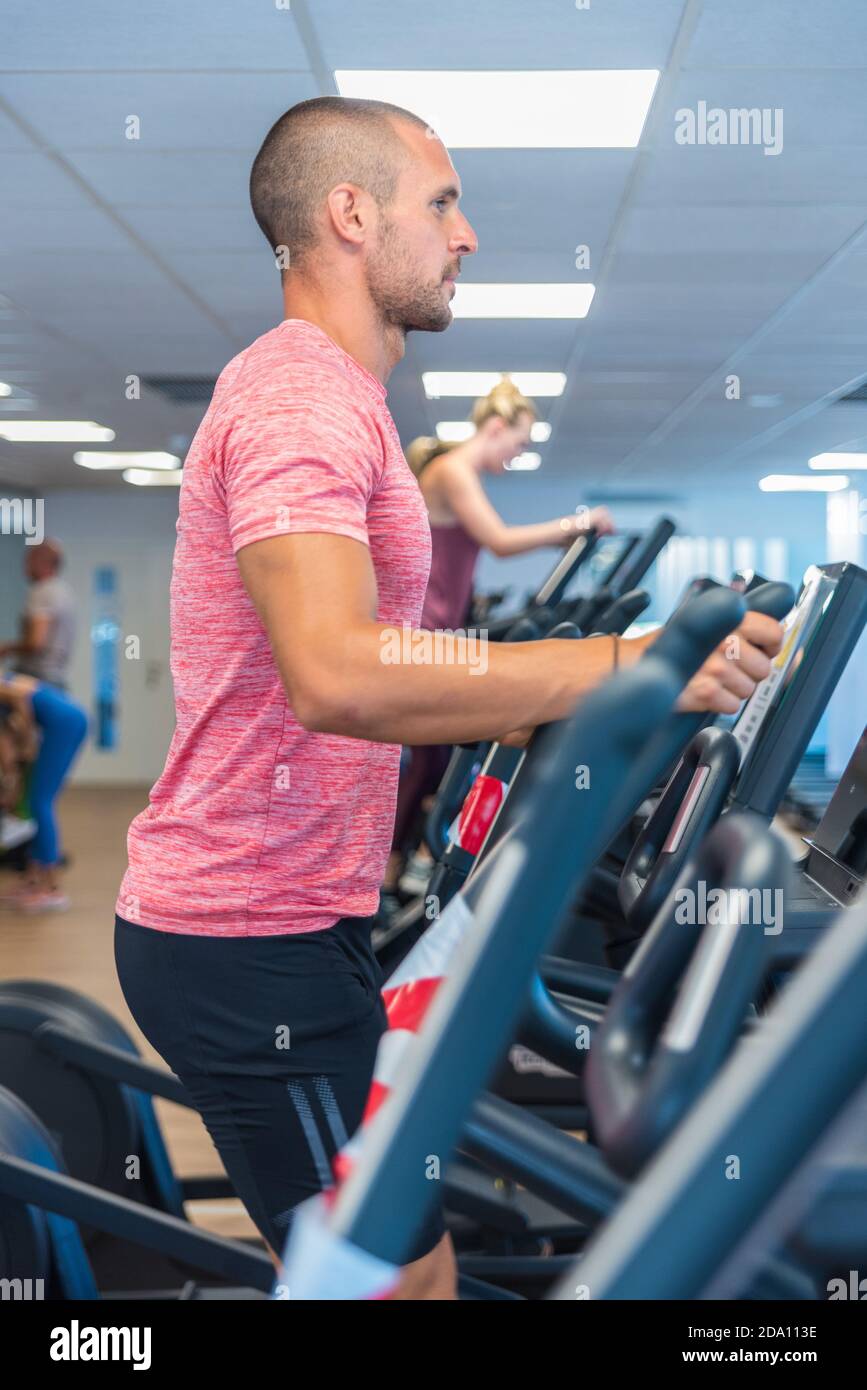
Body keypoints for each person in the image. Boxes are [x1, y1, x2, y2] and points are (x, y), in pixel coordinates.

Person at [112, 96, 783, 1301]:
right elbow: (339, 672)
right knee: (393, 1283)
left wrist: (594, 703)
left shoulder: (341, 400)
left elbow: (378, 671)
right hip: (243, 936)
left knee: (389, 1270)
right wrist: (623, 663)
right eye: (442, 202)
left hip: (287, 916)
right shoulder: (300, 398)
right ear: (351, 214)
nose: (466, 234)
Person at [384, 380, 615, 901]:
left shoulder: (457, 472)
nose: (518, 454)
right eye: (520, 442)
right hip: (426, 632)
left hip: (444, 627)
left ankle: (402, 864)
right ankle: (394, 867)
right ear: (495, 428)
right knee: (433, 758)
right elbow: (501, 541)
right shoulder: (452, 470)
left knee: (436, 757)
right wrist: (576, 523)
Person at [0, 675, 88, 912]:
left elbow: (19, 699)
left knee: (41, 802)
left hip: (65, 724)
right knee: (33, 801)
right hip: (60, 722)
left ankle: (51, 889)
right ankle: (32, 881)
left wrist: (28, 742)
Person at [0, 539, 77, 692]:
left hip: (35, 680)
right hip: (56, 679)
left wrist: (5, 648)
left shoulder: (42, 592)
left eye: (28, 560)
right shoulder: (64, 591)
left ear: (40, 561)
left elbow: (36, 642)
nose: (25, 567)